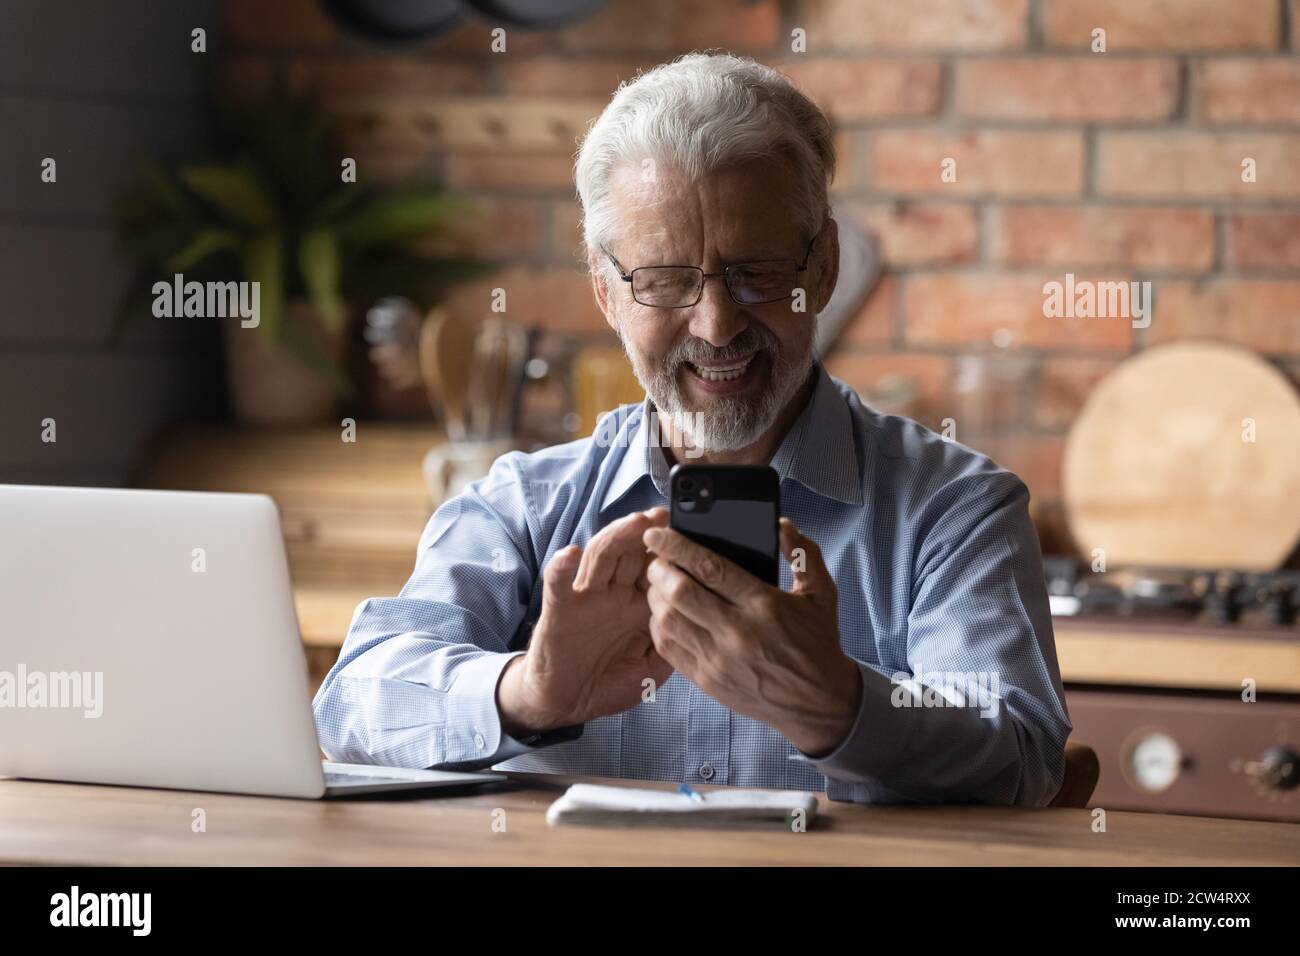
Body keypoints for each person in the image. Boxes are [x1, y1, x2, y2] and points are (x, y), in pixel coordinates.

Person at [313, 52, 1071, 805]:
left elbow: (1025, 756)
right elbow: (351, 704)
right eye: (666, 280)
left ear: (825, 268)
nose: (716, 325)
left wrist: (839, 705)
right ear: (607, 293)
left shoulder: (954, 508)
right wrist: (530, 690)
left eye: (759, 273)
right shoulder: (521, 505)